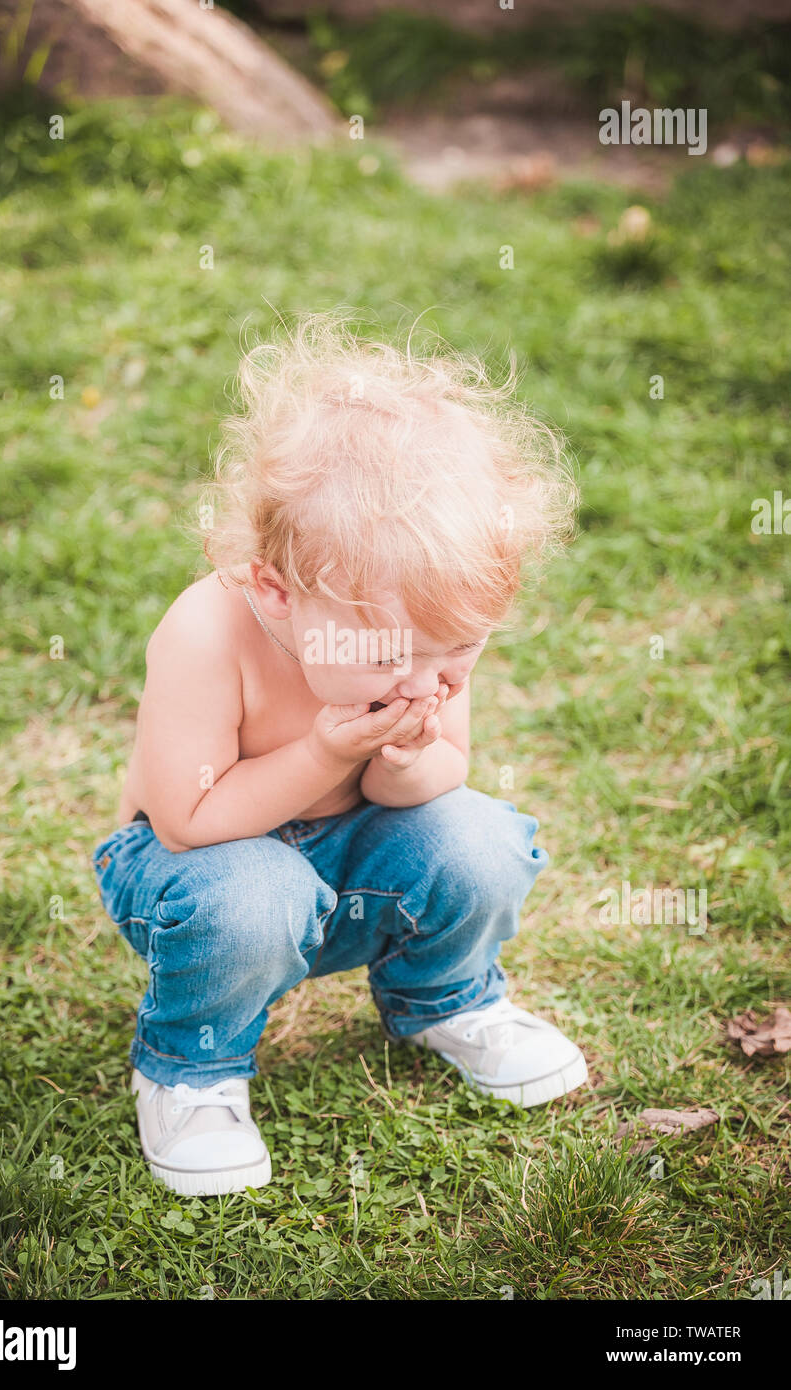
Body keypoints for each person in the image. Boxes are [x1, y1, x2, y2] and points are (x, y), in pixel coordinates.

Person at [92, 311, 588, 1196]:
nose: (426, 680)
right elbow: (188, 819)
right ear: (277, 593)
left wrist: (404, 760)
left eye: (458, 655)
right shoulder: (209, 634)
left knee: (479, 839)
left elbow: (442, 782)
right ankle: (191, 1065)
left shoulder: (421, 634)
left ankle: (449, 1000)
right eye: (396, 657)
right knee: (259, 891)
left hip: (354, 869)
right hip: (198, 878)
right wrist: (326, 749)